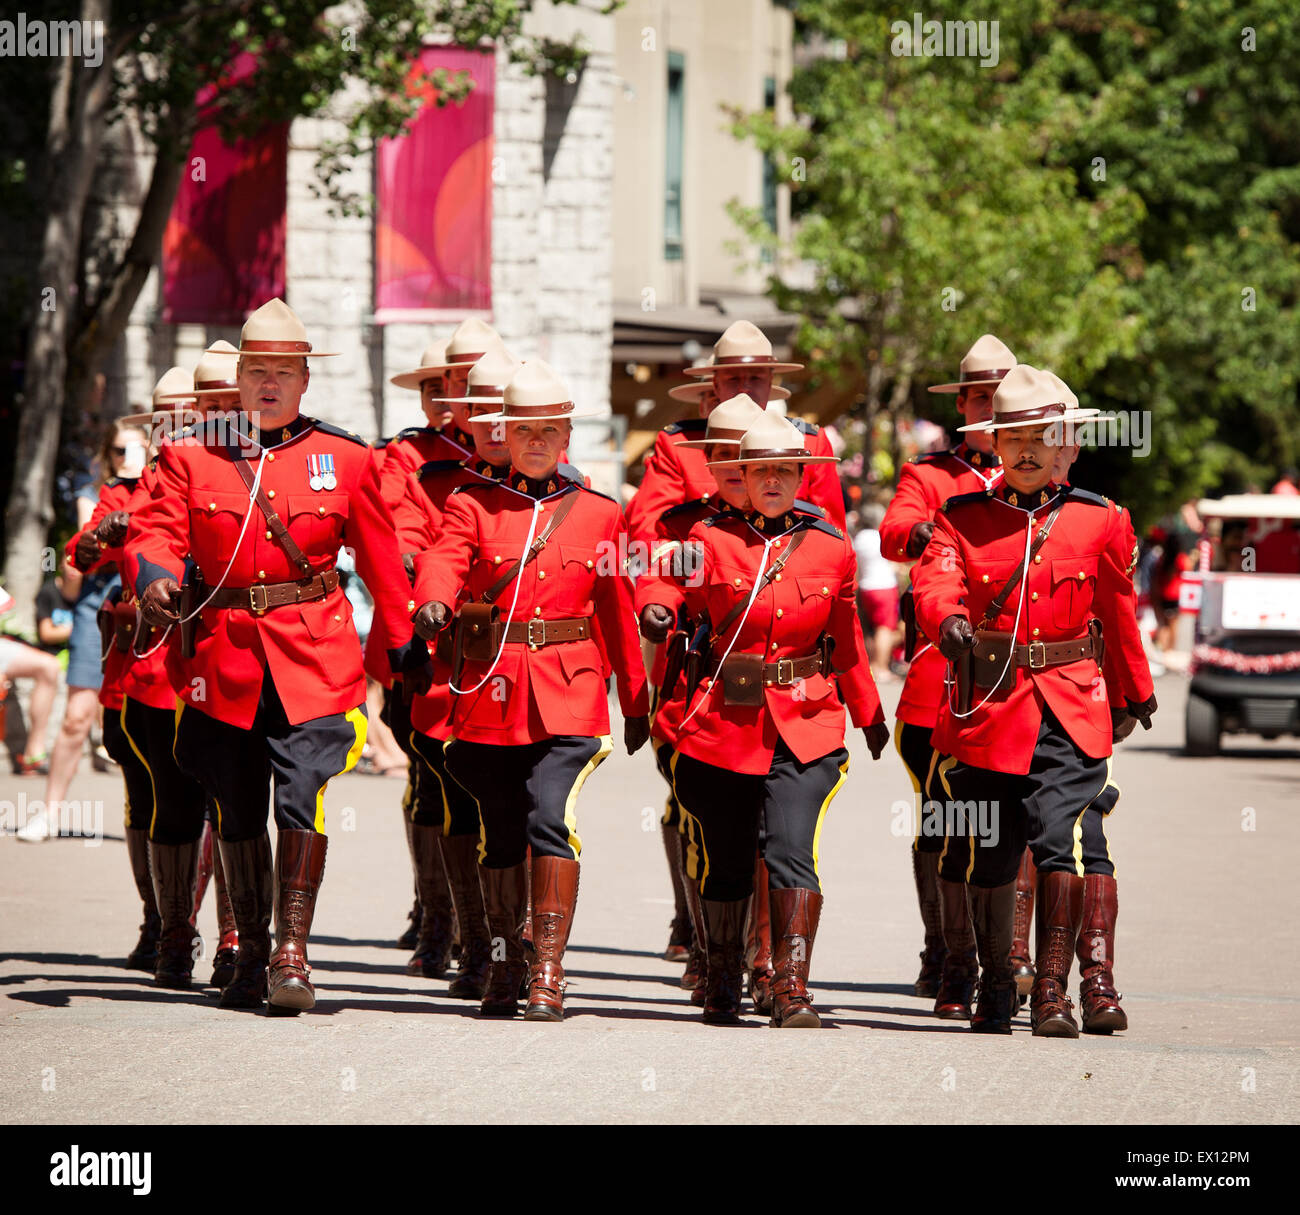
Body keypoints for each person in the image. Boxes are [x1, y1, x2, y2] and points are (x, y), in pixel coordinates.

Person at [127, 298, 431, 1014]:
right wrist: (156, 576)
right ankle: (252, 954)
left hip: (313, 654)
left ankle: (293, 951)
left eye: (283, 371)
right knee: (234, 804)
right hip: (223, 655)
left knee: (300, 797)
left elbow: (385, 562)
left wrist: (401, 645)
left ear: (304, 380)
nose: (269, 382)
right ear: (238, 378)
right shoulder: (192, 452)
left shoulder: (348, 457)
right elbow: (153, 530)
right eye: (257, 369)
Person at [912, 364, 1156, 1036]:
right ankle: (997, 982)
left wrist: (1136, 689)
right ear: (995, 442)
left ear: (1066, 444)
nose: (1026, 446)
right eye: (1014, 433)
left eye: (1042, 434)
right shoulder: (961, 517)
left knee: (1062, 839)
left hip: (1071, 702)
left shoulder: (1101, 520)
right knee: (990, 852)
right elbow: (935, 581)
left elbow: (1118, 610)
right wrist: (948, 621)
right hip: (991, 704)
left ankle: (1054, 989)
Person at [411, 359, 651, 1021]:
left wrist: (634, 699)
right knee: (499, 833)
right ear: (505, 434)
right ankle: (503, 961)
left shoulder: (601, 513)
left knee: (551, 815)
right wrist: (431, 602)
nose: (537, 440)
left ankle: (547, 968)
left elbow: (617, 608)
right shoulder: (472, 502)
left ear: (566, 431)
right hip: (491, 689)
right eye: (525, 430)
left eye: (549, 428)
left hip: (569, 693)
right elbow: (442, 559)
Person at [638, 412, 890, 1027]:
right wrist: (656, 611)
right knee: (727, 858)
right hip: (725, 721)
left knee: (791, 850)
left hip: (805, 719)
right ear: (741, 477)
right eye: (760, 471)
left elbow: (846, 637)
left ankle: (791, 988)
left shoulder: (830, 547)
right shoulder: (708, 537)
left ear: (803, 476)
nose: (773, 480)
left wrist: (869, 710)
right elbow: (661, 579)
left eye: (785, 469)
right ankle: (724, 977)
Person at [877, 333, 1010, 1013]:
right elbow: (894, 531)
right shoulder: (932, 475)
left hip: (1021, 686)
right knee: (944, 822)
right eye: (981, 396)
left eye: (1001, 394)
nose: (992, 406)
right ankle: (947, 951)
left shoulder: (1045, 481)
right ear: (962, 403)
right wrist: (939, 533)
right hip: (942, 682)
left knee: (1010, 825)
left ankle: (1007, 959)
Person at [389, 347, 525, 993]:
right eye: (481, 408)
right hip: (453, 660)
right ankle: (469, 939)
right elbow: (409, 549)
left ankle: (520, 943)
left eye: (507, 409)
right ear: (462, 413)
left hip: (531, 670)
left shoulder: (562, 483)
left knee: (530, 809)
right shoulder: (429, 474)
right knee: (451, 798)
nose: (495, 421)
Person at [633, 393, 766, 1004]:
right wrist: (654, 604)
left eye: (747, 457)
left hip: (778, 699)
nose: (736, 469)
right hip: (697, 698)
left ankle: (768, 962)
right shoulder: (685, 526)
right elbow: (654, 568)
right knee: (701, 822)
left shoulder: (804, 522)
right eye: (724, 458)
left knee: (775, 832)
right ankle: (713, 951)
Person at [16, 420, 149, 839]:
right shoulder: (96, 493)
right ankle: (49, 812)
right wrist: (88, 541)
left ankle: (152, 822)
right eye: (119, 452)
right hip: (102, 597)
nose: (128, 460)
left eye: (137, 450)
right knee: (76, 717)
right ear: (107, 456)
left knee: (153, 718)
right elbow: (75, 566)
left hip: (151, 595)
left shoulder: (167, 485)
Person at [851, 503, 900, 683]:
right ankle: (882, 668)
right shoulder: (880, 536)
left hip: (866, 587)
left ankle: (872, 665)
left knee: (869, 629)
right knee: (885, 628)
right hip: (884, 586)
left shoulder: (859, 538)